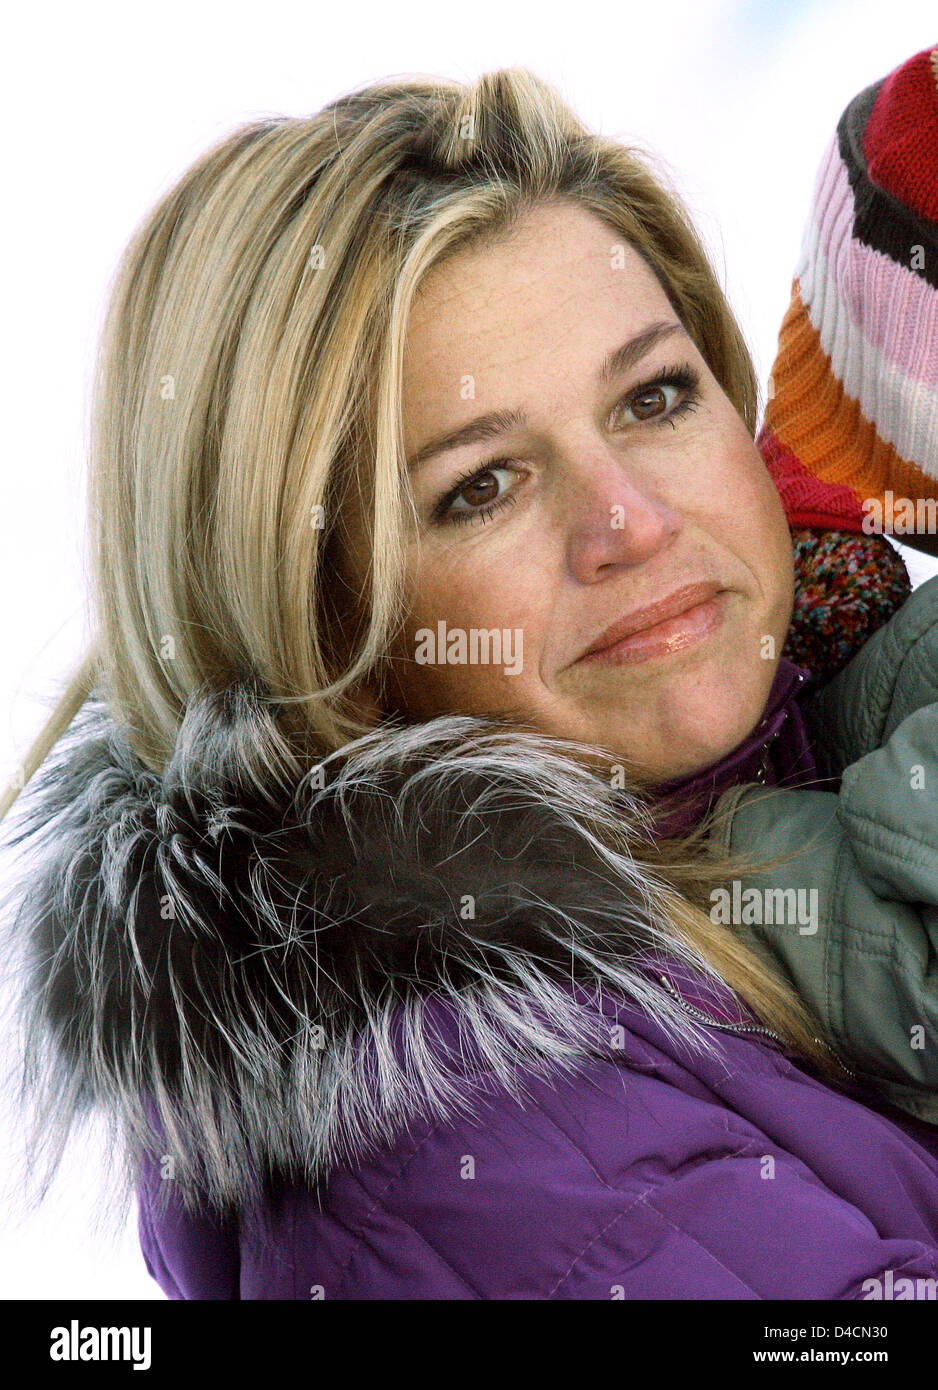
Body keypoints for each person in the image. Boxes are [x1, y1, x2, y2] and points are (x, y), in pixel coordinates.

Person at [2, 49, 938, 1301]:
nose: (633, 520)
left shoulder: (846, 747)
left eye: (655, 396)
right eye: (479, 486)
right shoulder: (472, 1154)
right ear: (322, 626)